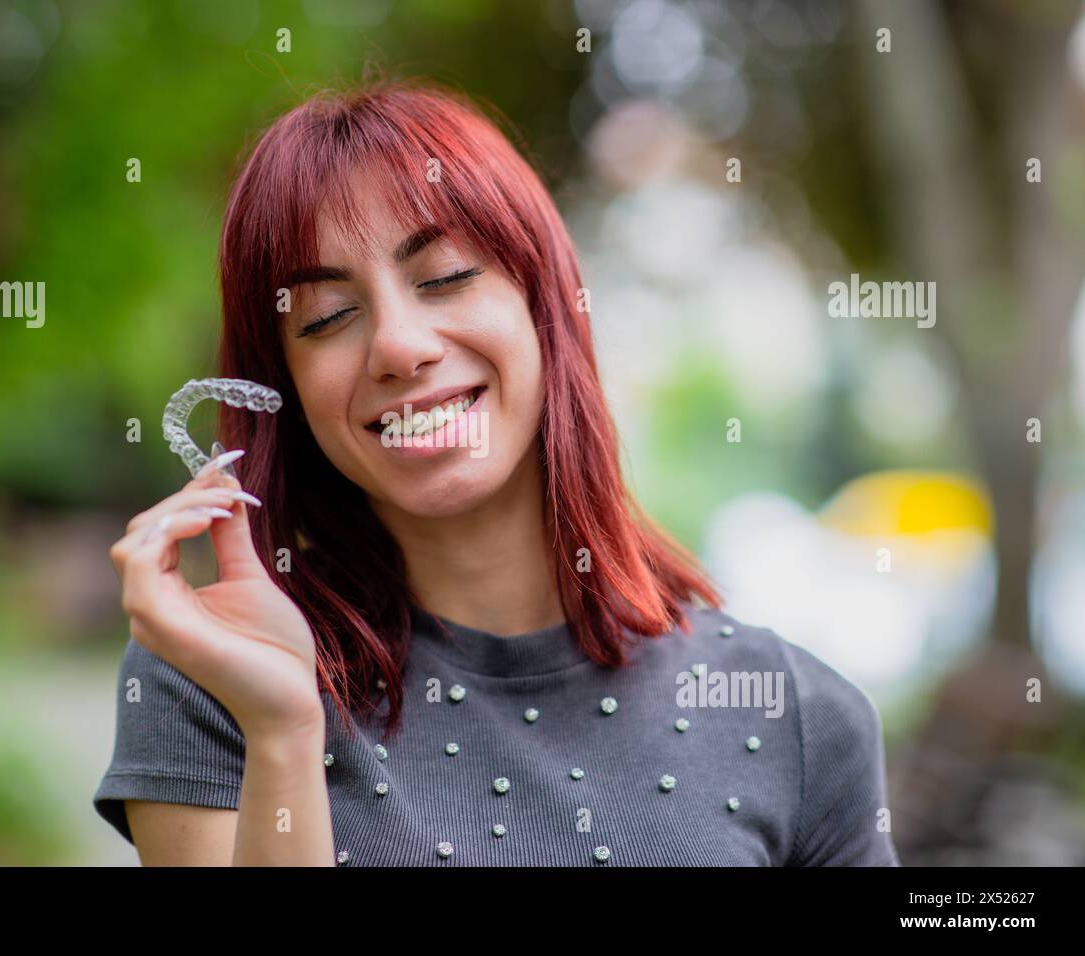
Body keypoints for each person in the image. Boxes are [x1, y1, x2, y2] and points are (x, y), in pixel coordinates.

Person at [94, 77, 900, 867]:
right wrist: (283, 731)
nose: (399, 347)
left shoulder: (792, 713)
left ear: (545, 307)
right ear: (288, 391)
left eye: (445, 277)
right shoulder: (207, 677)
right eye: (329, 318)